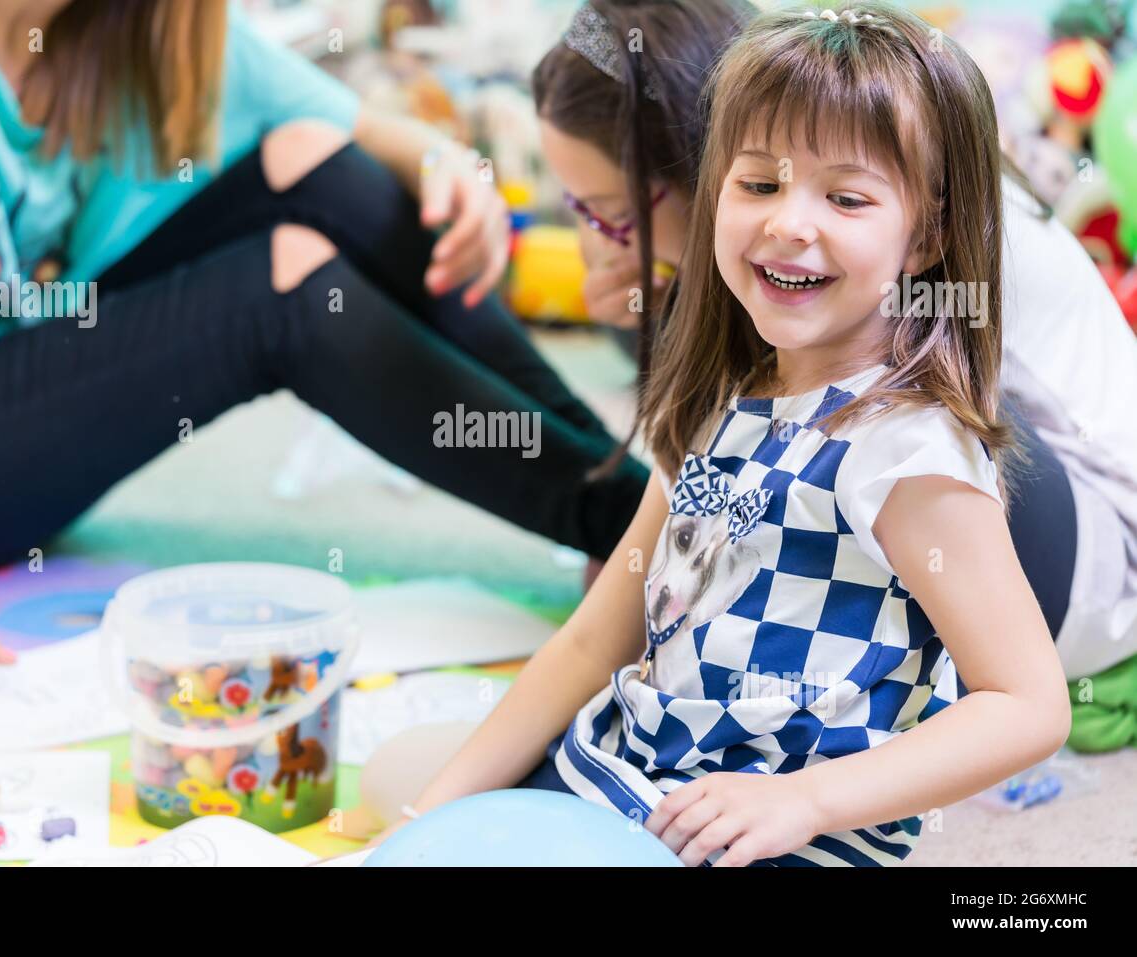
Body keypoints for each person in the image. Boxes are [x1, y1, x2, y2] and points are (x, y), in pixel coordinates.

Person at [377, 2, 1071, 866]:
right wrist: (427, 814)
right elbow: (599, 636)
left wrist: (803, 799)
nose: (788, 222)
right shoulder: (720, 400)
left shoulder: (908, 449)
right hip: (621, 777)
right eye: (758, 184)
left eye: (846, 197)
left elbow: (1028, 703)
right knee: (415, 802)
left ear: (926, 233)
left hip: (768, 837)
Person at [0, 0, 650, 721]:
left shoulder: (134, 24)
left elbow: (360, 132)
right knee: (280, 282)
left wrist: (446, 164)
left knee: (310, 159)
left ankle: (631, 503)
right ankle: (628, 525)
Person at [533, 0, 1137, 681]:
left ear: (699, 166)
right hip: (1025, 514)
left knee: (855, 390)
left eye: (613, 218)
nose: (603, 246)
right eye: (581, 214)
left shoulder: (907, 223)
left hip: (1091, 569)